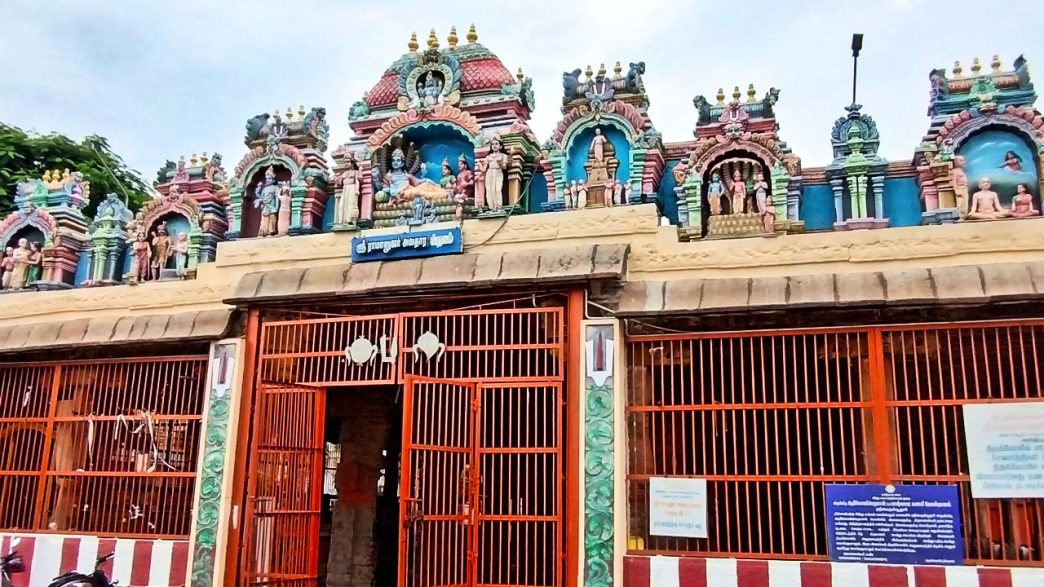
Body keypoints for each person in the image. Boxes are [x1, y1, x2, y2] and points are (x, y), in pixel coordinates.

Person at [484, 135, 509, 211]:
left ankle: (498, 207)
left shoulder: (503, 156)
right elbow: (484, 168)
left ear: (500, 146)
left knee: (497, 189)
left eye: (496, 144)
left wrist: (500, 164)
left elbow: (505, 167)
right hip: (489, 173)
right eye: (493, 144)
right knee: (489, 190)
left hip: (498, 172)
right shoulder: (488, 156)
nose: (494, 146)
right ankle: (491, 208)